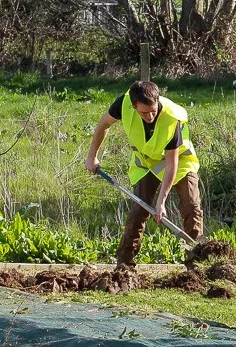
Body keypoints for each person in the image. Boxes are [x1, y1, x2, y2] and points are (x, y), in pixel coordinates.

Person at [84, 80, 202, 270]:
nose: (150, 116)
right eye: (144, 112)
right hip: (146, 163)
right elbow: (103, 124)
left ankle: (196, 265)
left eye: (153, 110)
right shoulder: (123, 104)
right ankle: (124, 266)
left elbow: (171, 165)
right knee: (139, 211)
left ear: (158, 101)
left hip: (179, 163)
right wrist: (92, 157)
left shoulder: (172, 118)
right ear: (133, 106)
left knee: (191, 206)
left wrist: (161, 202)